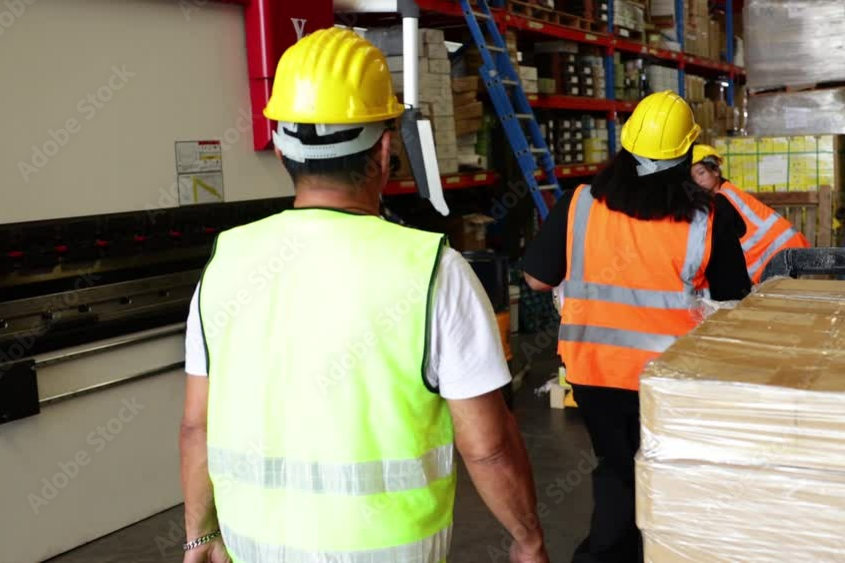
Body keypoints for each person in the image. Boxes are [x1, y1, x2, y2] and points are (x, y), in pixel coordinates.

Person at [179, 28, 548, 563]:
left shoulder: (225, 263)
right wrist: (528, 537)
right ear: (385, 148)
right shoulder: (432, 271)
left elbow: (197, 425)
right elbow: (487, 446)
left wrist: (200, 535)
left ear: (281, 149)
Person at [522, 91, 752, 563]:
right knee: (669, 474)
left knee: (617, 469)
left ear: (624, 146)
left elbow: (535, 277)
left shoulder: (580, 203)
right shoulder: (707, 216)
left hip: (594, 373)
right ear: (688, 154)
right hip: (670, 380)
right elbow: (734, 299)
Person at [691, 144, 811, 283]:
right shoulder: (728, 191)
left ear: (716, 171)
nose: (698, 181)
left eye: (701, 173)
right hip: (786, 249)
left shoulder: (722, 200)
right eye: (693, 178)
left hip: (780, 253)